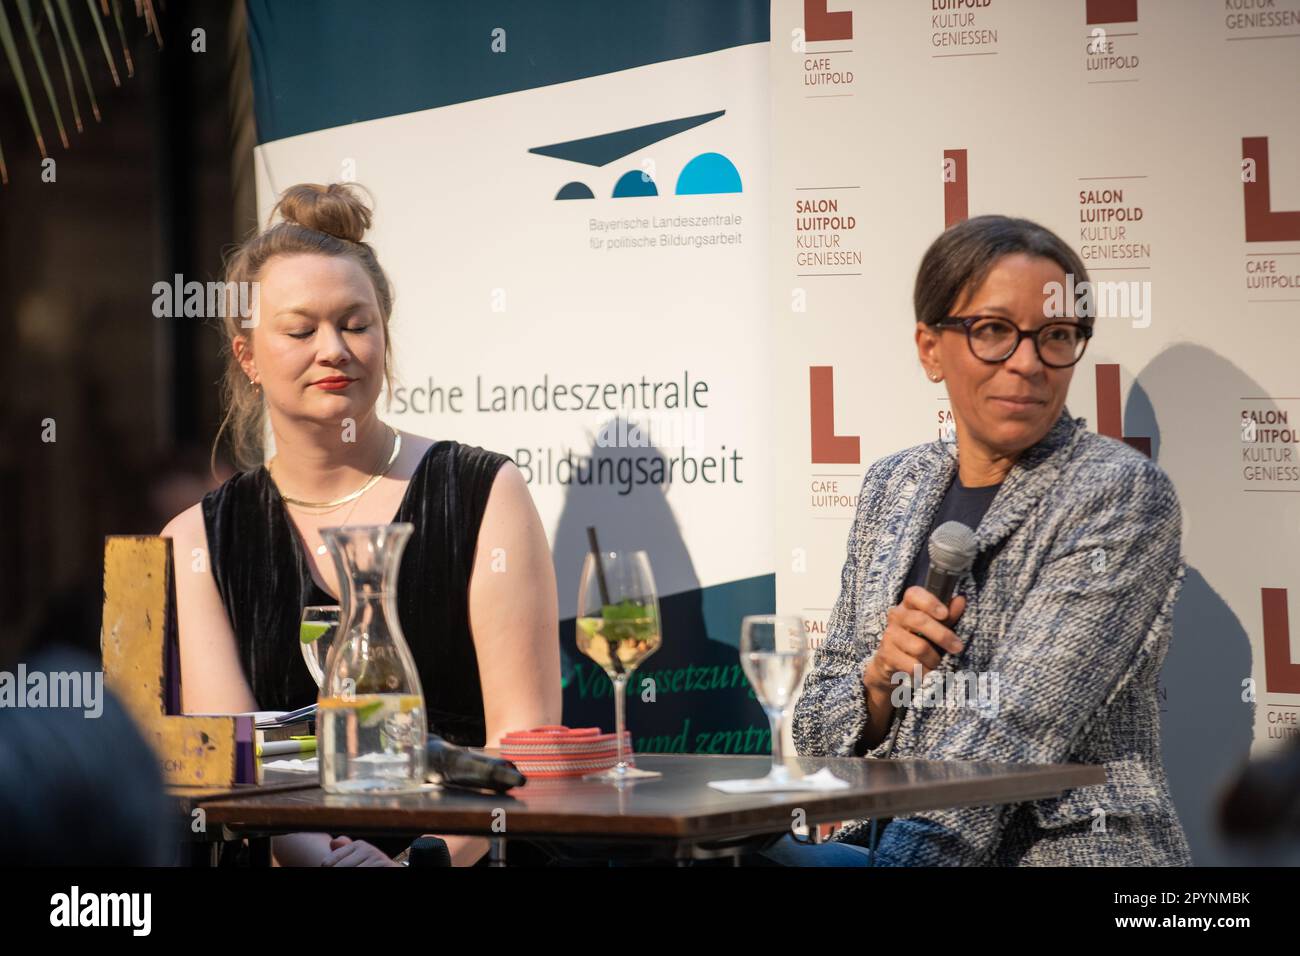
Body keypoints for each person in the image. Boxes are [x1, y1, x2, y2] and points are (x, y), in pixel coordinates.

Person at [161, 183, 561, 866]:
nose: (334, 349)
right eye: (300, 330)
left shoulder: (486, 492)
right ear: (248, 356)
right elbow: (235, 760)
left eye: (355, 324)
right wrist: (317, 856)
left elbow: (522, 746)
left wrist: (426, 859)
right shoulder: (196, 538)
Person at [773, 214, 1191, 866]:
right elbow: (817, 729)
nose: (1027, 362)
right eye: (993, 331)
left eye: (1055, 336)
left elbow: (1019, 726)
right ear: (930, 347)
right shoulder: (894, 485)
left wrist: (890, 868)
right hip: (889, 845)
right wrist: (879, 683)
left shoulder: (1118, 494)